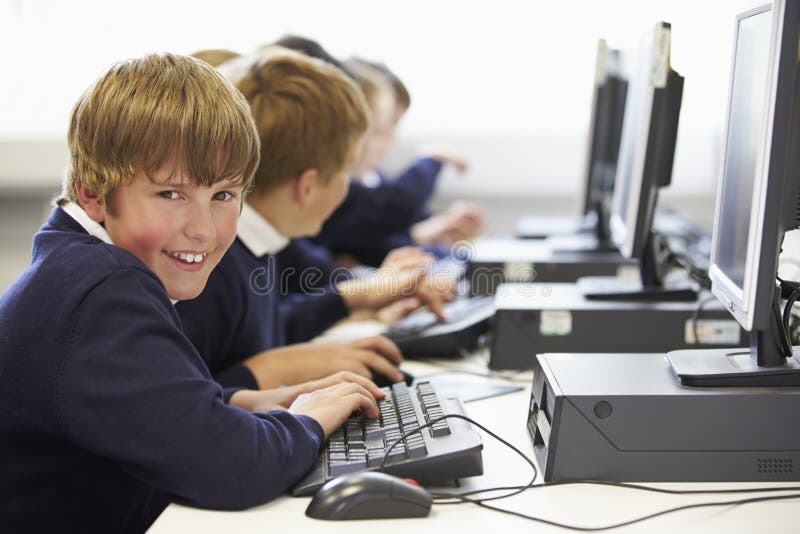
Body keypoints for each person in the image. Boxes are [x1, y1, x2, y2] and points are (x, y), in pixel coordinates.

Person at [0, 53, 386, 533]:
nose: (204, 229)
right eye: (171, 194)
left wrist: (244, 402)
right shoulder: (104, 292)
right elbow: (234, 468)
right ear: (93, 193)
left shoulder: (75, 261)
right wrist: (308, 421)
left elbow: (148, 406)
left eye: (223, 196)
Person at [176, 47, 453, 391]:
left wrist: (350, 308)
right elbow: (184, 398)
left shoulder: (257, 244)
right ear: (307, 187)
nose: (348, 188)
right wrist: (277, 367)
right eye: (346, 174)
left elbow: (262, 334)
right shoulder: (208, 262)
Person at [311, 56, 485, 267]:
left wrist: (436, 235)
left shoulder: (374, 178)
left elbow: (386, 240)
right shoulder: (340, 190)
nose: (390, 138)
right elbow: (395, 208)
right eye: (379, 130)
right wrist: (432, 160)